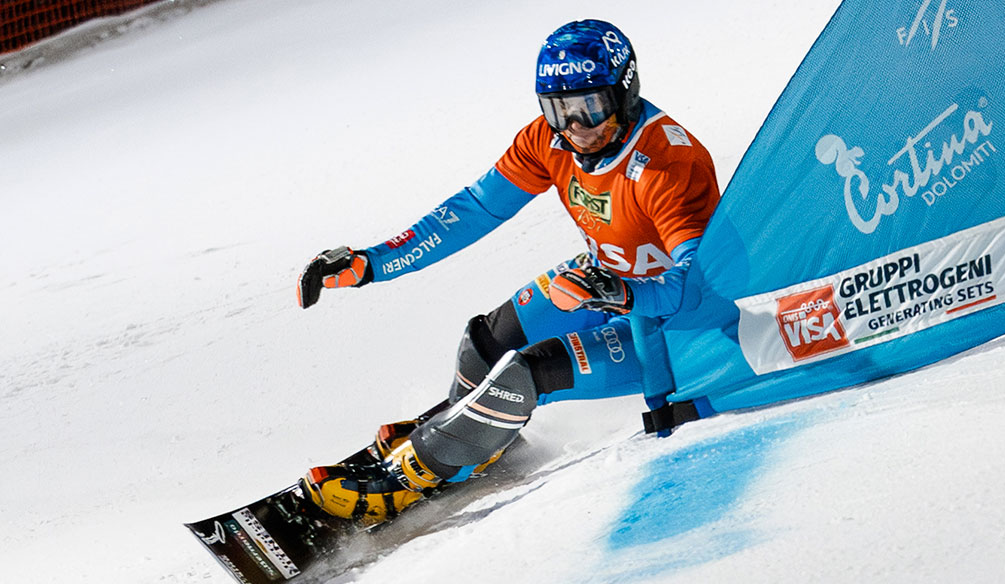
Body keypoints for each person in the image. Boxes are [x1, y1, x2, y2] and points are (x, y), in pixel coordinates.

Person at [296, 19, 721, 526]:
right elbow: (477, 208)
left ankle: (405, 483)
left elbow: (696, 291)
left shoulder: (668, 164)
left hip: (677, 330)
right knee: (484, 344)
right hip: (603, 281)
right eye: (560, 110)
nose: (578, 127)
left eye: (593, 107)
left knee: (527, 370)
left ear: (625, 93)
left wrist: (620, 293)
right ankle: (467, 436)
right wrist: (374, 263)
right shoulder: (550, 139)